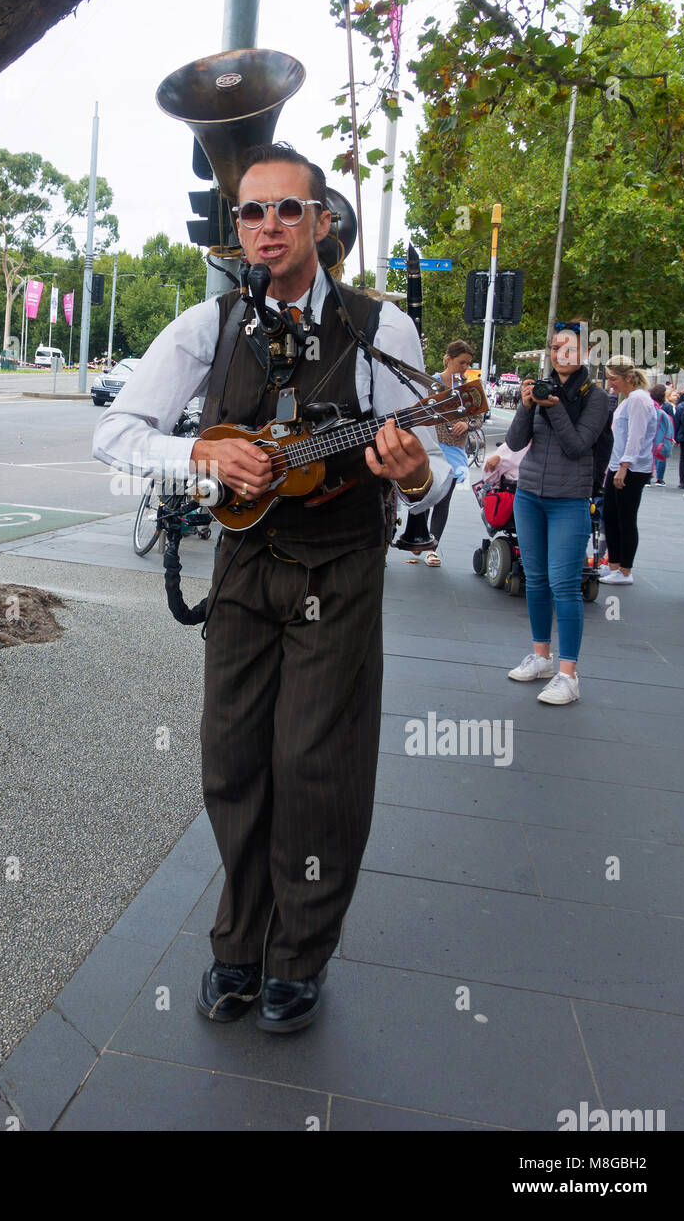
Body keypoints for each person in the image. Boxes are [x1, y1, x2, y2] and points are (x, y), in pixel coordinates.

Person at [92, 142, 450, 1033]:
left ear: (323, 223)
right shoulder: (203, 327)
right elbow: (118, 435)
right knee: (234, 760)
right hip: (245, 566)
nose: (267, 227)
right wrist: (197, 452)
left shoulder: (380, 327)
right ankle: (237, 946)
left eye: (288, 209)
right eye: (251, 212)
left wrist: (409, 477)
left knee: (315, 767)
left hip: (340, 564)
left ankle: (298, 956)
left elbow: (436, 466)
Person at [504, 322, 611, 705]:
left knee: (564, 586)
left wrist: (556, 408)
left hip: (570, 499)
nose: (559, 354)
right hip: (529, 495)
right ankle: (541, 656)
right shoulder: (539, 389)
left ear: (583, 355)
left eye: (568, 348)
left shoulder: (596, 398)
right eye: (554, 347)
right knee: (534, 580)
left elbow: (578, 446)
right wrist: (526, 405)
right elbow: (516, 442)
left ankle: (568, 674)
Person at [401, 338, 474, 566]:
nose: (465, 368)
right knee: (423, 494)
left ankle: (433, 547)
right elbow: (415, 412)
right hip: (430, 447)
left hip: (454, 450)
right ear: (449, 360)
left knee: (444, 499)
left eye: (468, 364)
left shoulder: (468, 388)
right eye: (462, 363)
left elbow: (478, 416)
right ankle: (417, 538)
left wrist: (468, 423)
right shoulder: (429, 384)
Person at [600, 357, 656, 582]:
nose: (610, 383)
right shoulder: (631, 399)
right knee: (612, 516)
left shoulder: (638, 400)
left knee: (624, 518)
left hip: (630, 468)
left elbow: (636, 436)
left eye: (613, 378)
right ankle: (615, 566)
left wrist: (624, 466)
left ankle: (624, 570)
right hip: (621, 465)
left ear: (628, 378)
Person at [648, 384, 675, 485]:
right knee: (660, 455)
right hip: (661, 435)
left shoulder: (649, 405)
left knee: (650, 455)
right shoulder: (666, 407)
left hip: (650, 435)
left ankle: (648, 477)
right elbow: (672, 421)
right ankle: (659, 478)